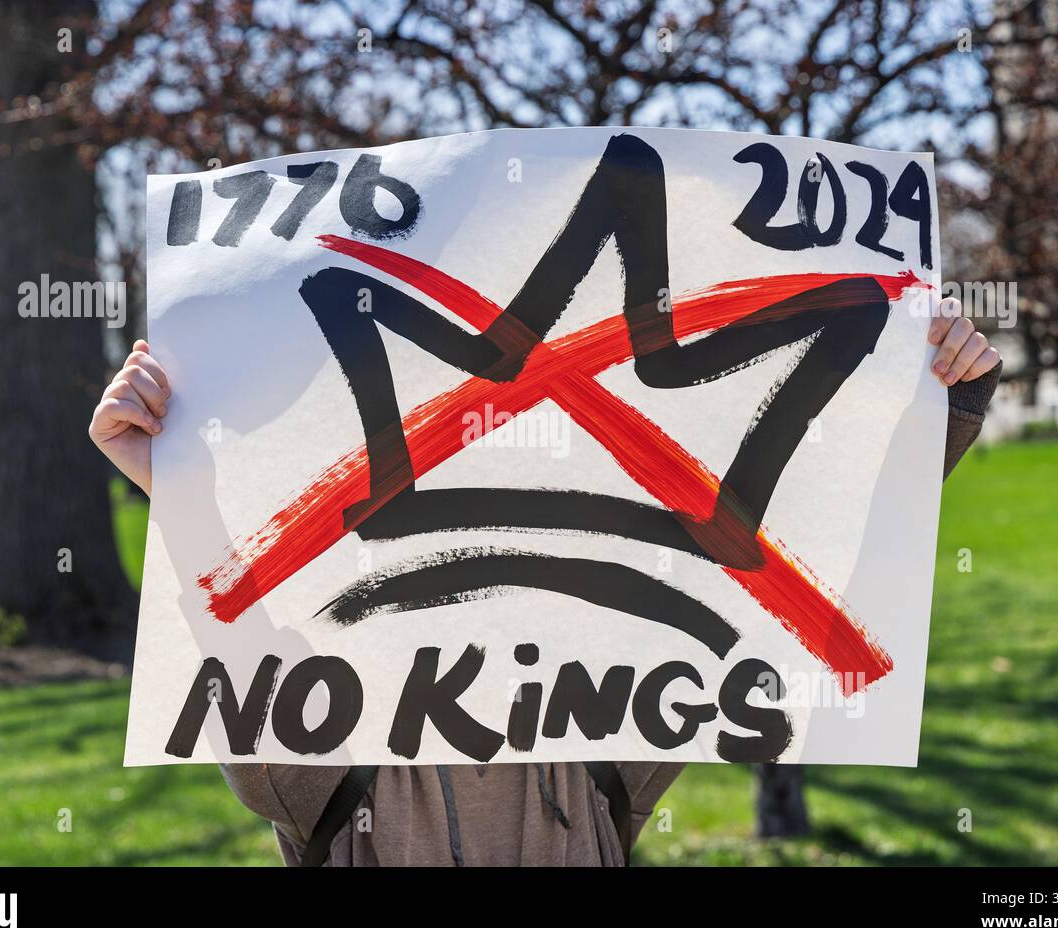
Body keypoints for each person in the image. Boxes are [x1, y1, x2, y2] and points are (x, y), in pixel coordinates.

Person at [91, 295, 1001, 867]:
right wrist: (170, 482)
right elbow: (230, 630)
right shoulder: (322, 770)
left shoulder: (611, 732)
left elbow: (794, 563)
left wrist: (933, 405)